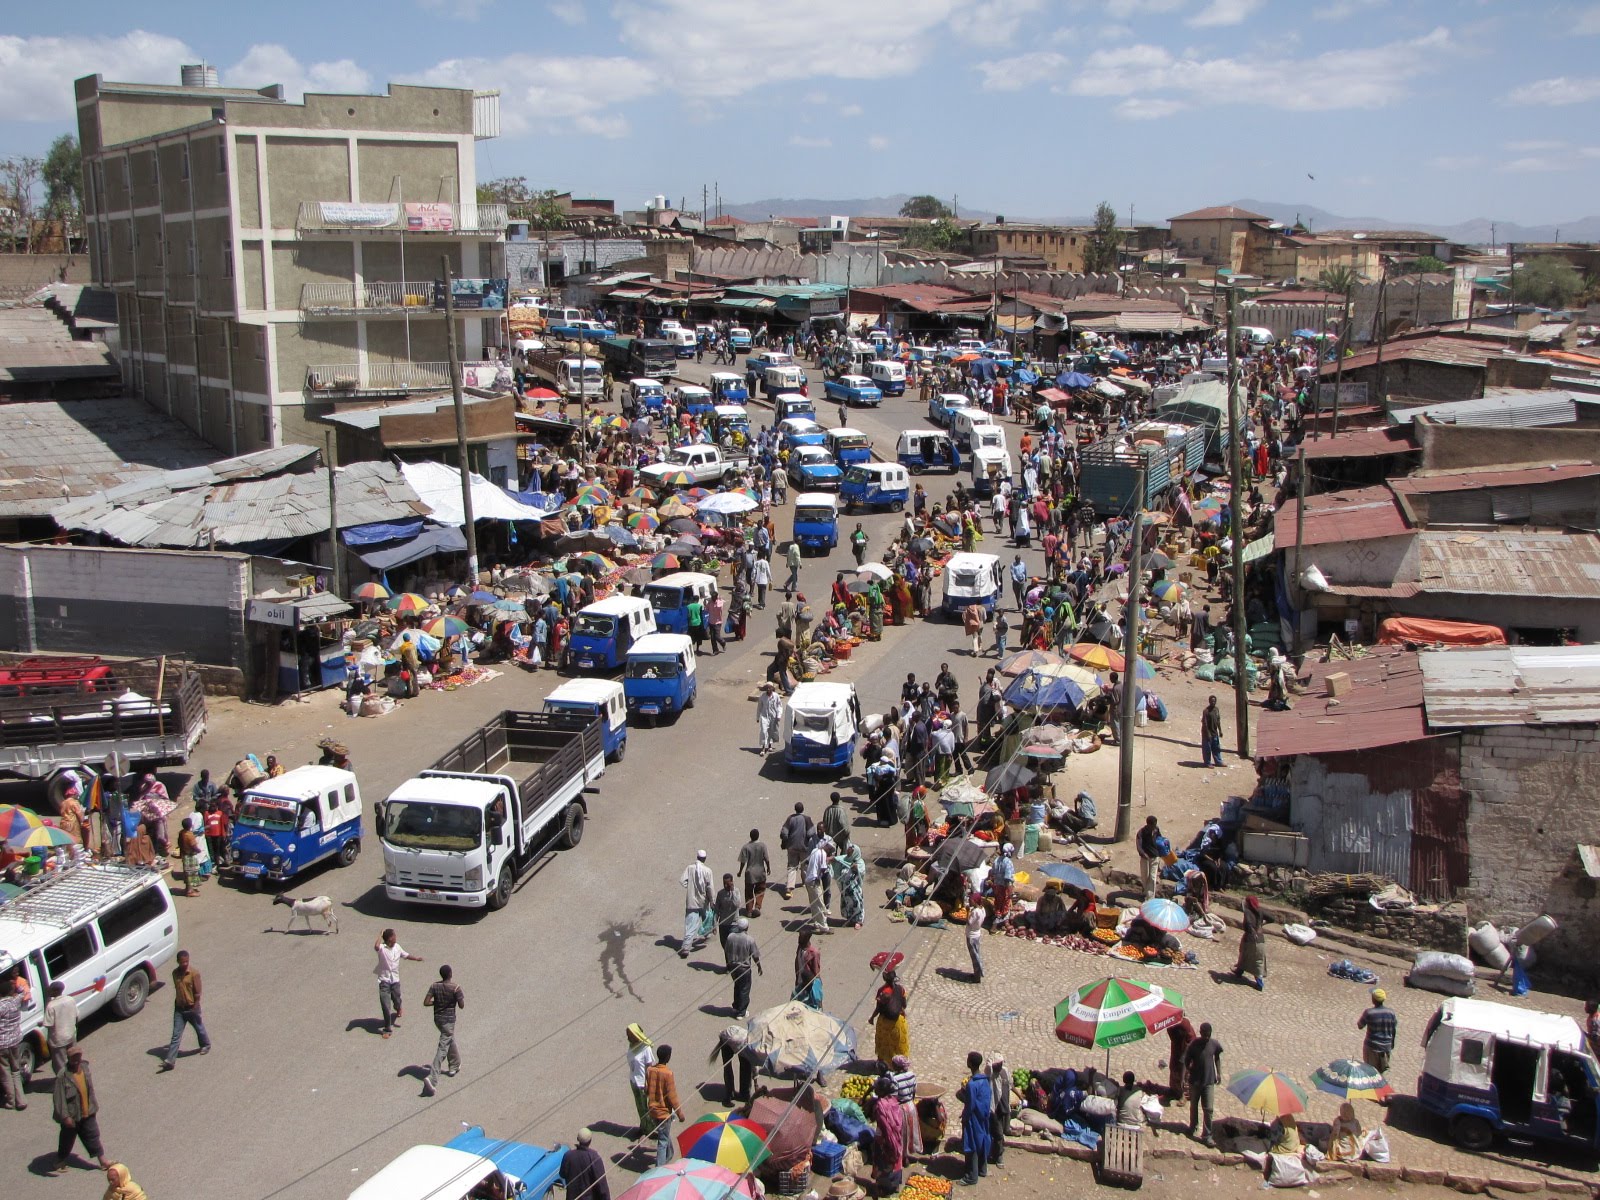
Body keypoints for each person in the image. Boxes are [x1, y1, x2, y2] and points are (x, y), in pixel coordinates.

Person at [51, 1049, 110, 1175]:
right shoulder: (63, 1075)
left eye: (78, 1056)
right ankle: (60, 1160)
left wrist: (93, 1106)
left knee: (93, 1135)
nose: (76, 1060)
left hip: (87, 1111)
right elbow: (59, 1099)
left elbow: (90, 1090)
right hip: (72, 1115)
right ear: (68, 1058)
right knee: (67, 1139)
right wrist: (65, 1116)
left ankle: (102, 1160)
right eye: (74, 1057)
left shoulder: (85, 1068)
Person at [157, 950, 210, 1071]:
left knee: (199, 1028)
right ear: (178, 962)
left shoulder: (194, 974)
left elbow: (197, 992)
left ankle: (206, 1045)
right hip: (179, 1009)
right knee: (176, 1035)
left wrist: (196, 1007)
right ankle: (170, 1061)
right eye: (182, 962)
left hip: (192, 1008)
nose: (185, 964)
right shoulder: (175, 973)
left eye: (187, 961)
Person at [423, 964, 465, 1096]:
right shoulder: (455, 988)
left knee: (448, 1039)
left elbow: (426, 1002)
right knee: (442, 1048)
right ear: (450, 974)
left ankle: (455, 1065)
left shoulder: (434, 986)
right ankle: (432, 1078)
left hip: (438, 1020)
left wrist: (437, 1002)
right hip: (449, 1020)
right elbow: (462, 1005)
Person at [374, 928, 422, 1039]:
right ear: (389, 939)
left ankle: (399, 1007)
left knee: (396, 998)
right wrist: (380, 935)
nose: (396, 938)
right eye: (393, 936)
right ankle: (387, 1028)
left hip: (395, 980)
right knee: (385, 1004)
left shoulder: (397, 947)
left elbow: (405, 955)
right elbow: (376, 946)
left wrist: (416, 958)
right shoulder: (382, 948)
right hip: (384, 981)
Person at [645, 1044, 686, 1167]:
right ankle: (660, 1168)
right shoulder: (668, 1074)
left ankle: (669, 1155)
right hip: (664, 1113)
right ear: (668, 1057)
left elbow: (646, 1090)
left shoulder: (650, 1070)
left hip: (652, 1111)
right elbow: (672, 1097)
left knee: (664, 1134)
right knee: (662, 1141)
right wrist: (680, 1114)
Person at [957, 1050, 994, 1186]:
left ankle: (971, 1176)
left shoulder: (972, 1085)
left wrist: (965, 1117)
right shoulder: (985, 1080)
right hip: (983, 1116)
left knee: (971, 1145)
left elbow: (970, 1104)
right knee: (982, 1141)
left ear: (970, 1064)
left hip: (974, 1119)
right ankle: (982, 1169)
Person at [1183, 1021, 1223, 1144]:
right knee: (1194, 1105)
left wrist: (1218, 1073)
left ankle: (1207, 1135)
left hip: (1209, 1081)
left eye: (1208, 1034)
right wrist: (1188, 1071)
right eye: (1205, 1034)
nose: (1206, 1037)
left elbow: (1217, 1057)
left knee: (1209, 1109)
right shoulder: (1193, 1045)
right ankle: (1193, 1126)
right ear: (1200, 1033)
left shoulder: (1214, 1044)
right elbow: (1186, 1060)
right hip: (1195, 1081)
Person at [870, 1075, 907, 1195]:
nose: (874, 1090)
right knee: (895, 1162)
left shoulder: (881, 1105)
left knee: (884, 1164)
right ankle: (894, 1185)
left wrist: (888, 1142)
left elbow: (884, 1126)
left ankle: (884, 1188)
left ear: (881, 1091)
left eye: (876, 1088)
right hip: (896, 1137)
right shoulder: (894, 1101)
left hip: (885, 1140)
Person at [0, 972, 30, 1110]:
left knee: (5, 1072)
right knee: (16, 1071)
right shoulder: (16, 1000)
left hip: (1, 1045)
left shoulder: (1, 1007)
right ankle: (21, 1100)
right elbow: (22, 990)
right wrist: (15, 983)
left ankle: (11, 1101)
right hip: (15, 1042)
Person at [870, 968, 910, 1065]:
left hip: (885, 1022)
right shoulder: (901, 989)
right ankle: (900, 1064)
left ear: (884, 979)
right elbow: (904, 1005)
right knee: (898, 1044)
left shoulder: (882, 991)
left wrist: (872, 1018)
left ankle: (885, 1064)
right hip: (899, 1021)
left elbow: (878, 1008)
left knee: (884, 1044)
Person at [724, 918, 762, 1018]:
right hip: (744, 969)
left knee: (737, 986)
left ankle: (736, 1007)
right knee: (744, 989)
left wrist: (728, 963)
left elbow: (726, 950)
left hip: (733, 967)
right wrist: (759, 966)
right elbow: (755, 955)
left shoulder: (730, 937)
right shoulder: (749, 940)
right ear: (747, 927)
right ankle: (741, 1012)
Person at [680, 850, 714, 960]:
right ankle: (707, 933)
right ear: (705, 858)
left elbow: (682, 881)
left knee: (690, 925)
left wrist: (690, 887)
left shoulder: (690, 868)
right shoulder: (708, 871)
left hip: (691, 901)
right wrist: (712, 900)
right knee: (707, 917)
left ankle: (686, 947)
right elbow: (710, 888)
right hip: (703, 901)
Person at [1357, 988, 1398, 1077]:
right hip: (1386, 1047)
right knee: (1382, 1074)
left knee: (1369, 1072)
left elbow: (1360, 1025)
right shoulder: (1391, 1013)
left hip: (1372, 1047)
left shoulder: (1369, 1013)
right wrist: (1392, 1044)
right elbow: (1393, 1030)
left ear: (1373, 1000)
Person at [560, 1129, 611, 1200]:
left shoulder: (568, 1155)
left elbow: (562, 1174)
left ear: (578, 1139)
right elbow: (601, 1184)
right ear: (590, 1141)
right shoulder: (594, 1158)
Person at [625, 1024, 656, 1136]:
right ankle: (644, 1126)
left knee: (646, 1108)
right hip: (634, 1081)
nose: (628, 1038)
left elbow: (649, 1067)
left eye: (630, 1035)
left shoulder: (645, 1048)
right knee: (640, 1107)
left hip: (643, 1083)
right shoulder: (632, 1046)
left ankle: (650, 1130)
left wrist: (648, 1082)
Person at [711, 1024, 754, 1105]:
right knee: (728, 1067)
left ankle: (744, 1094)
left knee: (746, 1067)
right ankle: (729, 1096)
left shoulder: (751, 1046)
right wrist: (756, 1085)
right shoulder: (751, 1048)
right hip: (727, 1040)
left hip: (738, 1041)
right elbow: (755, 1068)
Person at [1233, 895, 1268, 991]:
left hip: (1251, 940)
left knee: (1255, 960)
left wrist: (1252, 931)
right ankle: (1239, 971)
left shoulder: (1247, 912)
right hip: (1260, 939)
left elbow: (1248, 922)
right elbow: (1271, 918)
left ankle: (1259, 983)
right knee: (1244, 955)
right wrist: (1261, 924)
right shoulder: (1260, 911)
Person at [44, 980, 78, 1075]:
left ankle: (65, 1084)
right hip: (71, 1035)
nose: (49, 992)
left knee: (60, 1065)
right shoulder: (70, 999)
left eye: (50, 990)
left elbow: (48, 1024)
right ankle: (76, 1079)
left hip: (58, 1040)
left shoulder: (51, 1006)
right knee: (74, 1060)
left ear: (55, 991)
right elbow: (76, 1016)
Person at [780, 802, 813, 899]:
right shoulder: (807, 819)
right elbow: (811, 833)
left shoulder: (790, 819)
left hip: (792, 847)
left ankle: (789, 888)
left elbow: (784, 833)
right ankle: (806, 883)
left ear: (795, 809)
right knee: (805, 866)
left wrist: (785, 842)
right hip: (804, 848)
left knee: (792, 867)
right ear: (803, 809)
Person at [834, 834, 866, 929]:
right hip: (846, 888)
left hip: (854, 889)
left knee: (857, 904)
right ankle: (850, 919)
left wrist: (856, 869)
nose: (848, 854)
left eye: (850, 853)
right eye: (848, 852)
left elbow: (862, 871)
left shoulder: (859, 862)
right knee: (847, 904)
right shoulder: (846, 859)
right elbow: (838, 860)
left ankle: (859, 921)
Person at [737, 828, 770, 917]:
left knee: (748, 892)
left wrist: (740, 871)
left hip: (750, 873)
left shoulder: (746, 847)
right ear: (758, 836)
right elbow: (766, 858)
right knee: (760, 890)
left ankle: (749, 910)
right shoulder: (763, 846)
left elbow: (743, 861)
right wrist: (768, 868)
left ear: (750, 836)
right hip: (760, 872)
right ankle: (757, 907)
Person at [804, 835, 833, 932]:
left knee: (814, 903)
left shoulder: (815, 850)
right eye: (830, 849)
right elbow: (824, 868)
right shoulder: (823, 853)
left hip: (808, 880)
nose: (830, 851)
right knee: (820, 903)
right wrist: (819, 876)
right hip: (814, 880)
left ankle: (816, 923)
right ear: (827, 847)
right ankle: (824, 927)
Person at [1165, 1015, 1196, 1103]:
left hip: (1186, 1048)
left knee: (1186, 1073)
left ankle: (1184, 1094)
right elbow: (1172, 1036)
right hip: (1177, 1047)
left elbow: (1185, 1058)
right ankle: (1174, 1090)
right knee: (1173, 1066)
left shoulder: (1185, 1025)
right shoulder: (1170, 1023)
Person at [988, 1053, 1012, 1167]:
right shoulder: (990, 1075)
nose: (999, 1066)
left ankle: (998, 1150)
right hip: (995, 1109)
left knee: (1003, 1131)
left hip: (1005, 1107)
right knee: (998, 1134)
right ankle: (999, 1157)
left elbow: (1010, 1086)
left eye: (1000, 1063)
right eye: (997, 1064)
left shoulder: (1005, 1071)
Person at [713, 873, 742, 965]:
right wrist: (714, 924)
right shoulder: (720, 894)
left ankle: (735, 964)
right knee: (725, 946)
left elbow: (737, 904)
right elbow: (717, 910)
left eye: (727, 883)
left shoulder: (736, 891)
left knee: (733, 946)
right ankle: (729, 964)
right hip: (723, 924)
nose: (725, 885)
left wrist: (732, 891)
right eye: (724, 883)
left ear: (732, 882)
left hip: (733, 924)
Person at [794, 929, 823, 1008]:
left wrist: (815, 986)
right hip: (801, 980)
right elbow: (797, 961)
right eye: (799, 937)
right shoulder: (800, 948)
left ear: (807, 938)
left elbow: (816, 972)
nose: (799, 939)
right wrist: (797, 978)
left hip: (809, 983)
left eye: (801, 937)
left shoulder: (814, 953)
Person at [1135, 815, 1162, 899]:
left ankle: (1150, 898)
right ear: (1148, 824)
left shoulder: (1156, 830)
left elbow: (1160, 840)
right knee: (1145, 876)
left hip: (1155, 857)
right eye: (1153, 825)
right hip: (1145, 858)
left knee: (1152, 877)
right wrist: (1143, 854)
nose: (1154, 826)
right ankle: (1145, 892)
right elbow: (1139, 845)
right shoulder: (1141, 832)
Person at [756, 681, 784, 753]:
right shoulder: (762, 696)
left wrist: (779, 715)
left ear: (772, 689)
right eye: (767, 688)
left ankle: (769, 746)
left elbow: (779, 706)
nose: (768, 690)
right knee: (763, 731)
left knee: (771, 731)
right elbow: (759, 707)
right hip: (764, 716)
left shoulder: (776, 696)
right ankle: (763, 748)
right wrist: (757, 717)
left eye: (769, 688)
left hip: (773, 716)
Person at [965, 895, 987, 983]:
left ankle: (977, 976)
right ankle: (976, 974)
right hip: (977, 934)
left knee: (974, 957)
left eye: (971, 900)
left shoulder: (975, 912)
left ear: (975, 901)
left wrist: (967, 912)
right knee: (976, 954)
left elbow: (969, 922)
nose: (970, 902)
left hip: (971, 935)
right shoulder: (983, 909)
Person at [1200, 694, 1224, 768]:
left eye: (1214, 701)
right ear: (1209, 701)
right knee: (1207, 749)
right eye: (1212, 701)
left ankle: (1218, 761)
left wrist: (1220, 731)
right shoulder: (1206, 711)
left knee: (1216, 748)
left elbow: (1218, 721)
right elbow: (1205, 723)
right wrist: (1208, 733)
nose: (1213, 702)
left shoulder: (1216, 709)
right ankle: (1207, 763)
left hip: (1214, 732)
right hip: (1207, 733)